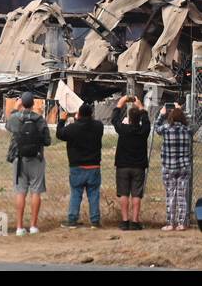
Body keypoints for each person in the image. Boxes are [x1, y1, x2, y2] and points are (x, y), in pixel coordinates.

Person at [6, 92, 51, 235]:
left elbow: (8, 126)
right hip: (36, 158)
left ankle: (19, 227)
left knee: (21, 192)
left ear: (22, 103)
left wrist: (15, 108)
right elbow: (47, 141)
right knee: (36, 191)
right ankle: (33, 226)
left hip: (19, 159)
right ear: (33, 104)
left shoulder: (15, 118)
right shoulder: (39, 119)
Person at [57, 101, 104, 228]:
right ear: (91, 114)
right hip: (94, 166)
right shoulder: (98, 126)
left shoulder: (73, 128)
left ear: (79, 115)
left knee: (76, 194)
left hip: (77, 167)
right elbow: (92, 123)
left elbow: (60, 134)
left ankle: (72, 220)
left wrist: (62, 120)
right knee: (94, 195)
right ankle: (95, 220)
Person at [111, 94, 150, 231]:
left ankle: (124, 220)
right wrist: (141, 107)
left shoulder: (123, 129)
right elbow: (147, 121)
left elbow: (114, 119)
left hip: (122, 165)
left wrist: (121, 102)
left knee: (123, 193)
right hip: (138, 166)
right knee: (136, 194)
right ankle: (135, 221)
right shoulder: (143, 131)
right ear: (139, 118)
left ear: (129, 118)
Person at [155, 105, 191, 231]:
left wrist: (162, 115)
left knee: (170, 194)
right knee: (182, 195)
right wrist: (181, 111)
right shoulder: (187, 129)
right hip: (184, 166)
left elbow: (156, 128)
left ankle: (170, 223)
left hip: (168, 166)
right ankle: (182, 223)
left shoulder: (165, 128)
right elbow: (193, 126)